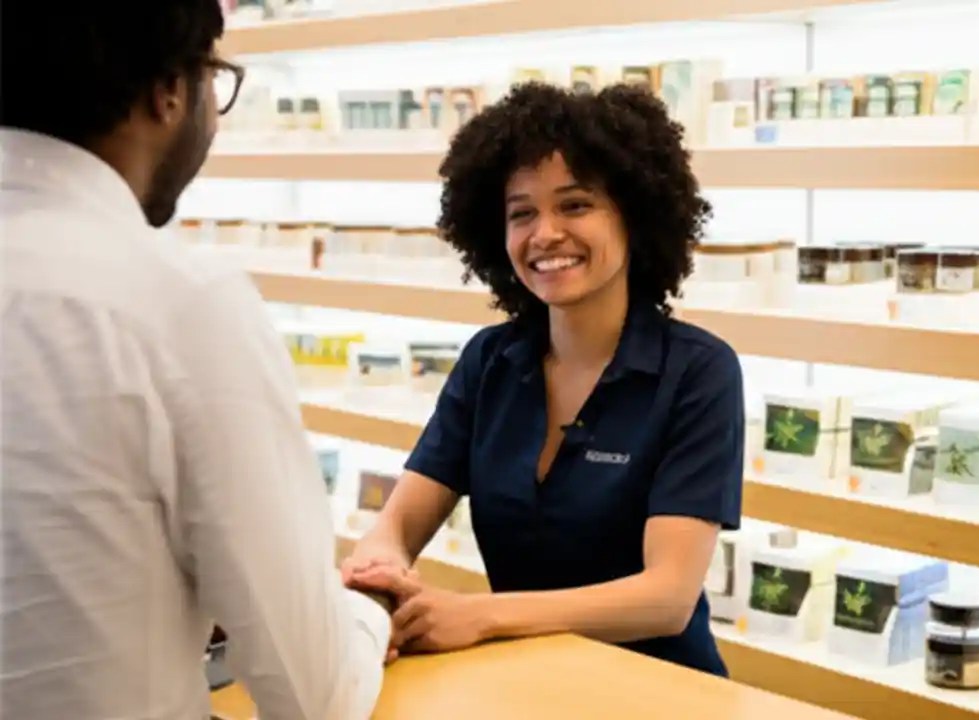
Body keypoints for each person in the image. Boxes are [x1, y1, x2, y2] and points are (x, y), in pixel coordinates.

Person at [1, 3, 393, 718]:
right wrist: (367, 616)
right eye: (216, 79)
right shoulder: (178, 300)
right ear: (168, 91)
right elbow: (315, 693)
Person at [342, 82, 745, 676]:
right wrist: (380, 566)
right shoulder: (491, 361)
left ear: (634, 216)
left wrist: (481, 615)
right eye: (522, 213)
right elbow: (398, 523)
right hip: (519, 681)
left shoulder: (698, 371)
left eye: (575, 205)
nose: (546, 233)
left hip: (660, 690)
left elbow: (667, 597)